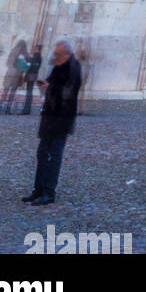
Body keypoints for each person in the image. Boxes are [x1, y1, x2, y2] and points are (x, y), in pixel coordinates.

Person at [22, 40, 83, 206]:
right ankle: (38, 189)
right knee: (42, 153)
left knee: (54, 155)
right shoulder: (58, 66)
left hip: (61, 119)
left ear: (66, 54)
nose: (55, 58)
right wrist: (46, 85)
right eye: (54, 54)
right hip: (49, 116)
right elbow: (52, 83)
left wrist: (51, 87)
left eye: (57, 55)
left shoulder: (73, 68)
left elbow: (69, 92)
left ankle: (49, 192)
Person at [22, 45, 42, 115]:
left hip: (31, 75)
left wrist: (29, 59)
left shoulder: (37, 56)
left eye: (34, 48)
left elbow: (32, 66)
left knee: (29, 93)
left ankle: (26, 110)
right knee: (29, 93)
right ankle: (26, 109)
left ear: (37, 49)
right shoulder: (37, 56)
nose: (33, 49)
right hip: (32, 75)